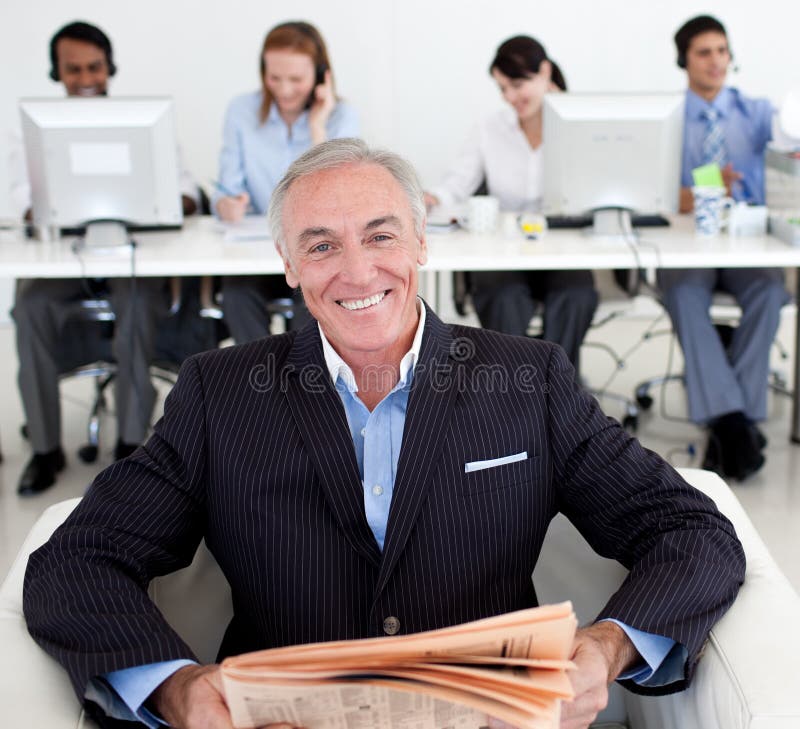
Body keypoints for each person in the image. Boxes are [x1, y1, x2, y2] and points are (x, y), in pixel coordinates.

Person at [24, 139, 745, 729]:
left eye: (380, 234)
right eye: (321, 245)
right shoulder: (220, 393)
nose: (358, 269)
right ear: (288, 265)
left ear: (421, 242)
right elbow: (77, 561)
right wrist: (176, 688)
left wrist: (603, 647)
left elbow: (691, 531)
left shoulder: (531, 380)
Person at [8, 21, 200, 496]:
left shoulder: (140, 122)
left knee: (136, 303)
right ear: (58, 73)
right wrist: (45, 204)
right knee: (31, 308)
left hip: (129, 251)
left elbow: (187, 188)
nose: (86, 77)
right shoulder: (30, 130)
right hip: (67, 255)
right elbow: (16, 196)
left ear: (109, 67)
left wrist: (176, 202)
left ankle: (132, 446)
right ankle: (46, 448)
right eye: (73, 69)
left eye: (94, 66)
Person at [659, 15, 790, 481]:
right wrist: (700, 192)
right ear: (684, 61)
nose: (717, 61)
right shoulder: (668, 120)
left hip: (745, 240)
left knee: (769, 291)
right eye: (704, 52)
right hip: (687, 241)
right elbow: (650, 190)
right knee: (683, 293)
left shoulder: (755, 111)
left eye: (722, 50)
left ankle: (730, 419)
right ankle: (739, 426)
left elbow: (787, 142)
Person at [425, 36, 598, 375]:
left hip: (565, 247)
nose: (510, 97)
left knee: (576, 295)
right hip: (504, 247)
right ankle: (513, 400)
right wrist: (431, 198)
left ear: (545, 72)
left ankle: (558, 394)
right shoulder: (490, 128)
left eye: (517, 85)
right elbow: (457, 182)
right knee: (503, 297)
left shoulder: (582, 123)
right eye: (502, 88)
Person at [213, 20, 360, 344]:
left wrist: (318, 128)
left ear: (321, 74)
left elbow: (342, 198)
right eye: (274, 77)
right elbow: (225, 189)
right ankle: (260, 390)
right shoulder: (241, 111)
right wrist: (226, 205)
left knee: (314, 303)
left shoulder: (341, 116)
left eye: (296, 79)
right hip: (255, 254)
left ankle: (302, 390)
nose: (284, 89)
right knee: (237, 296)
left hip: (314, 254)